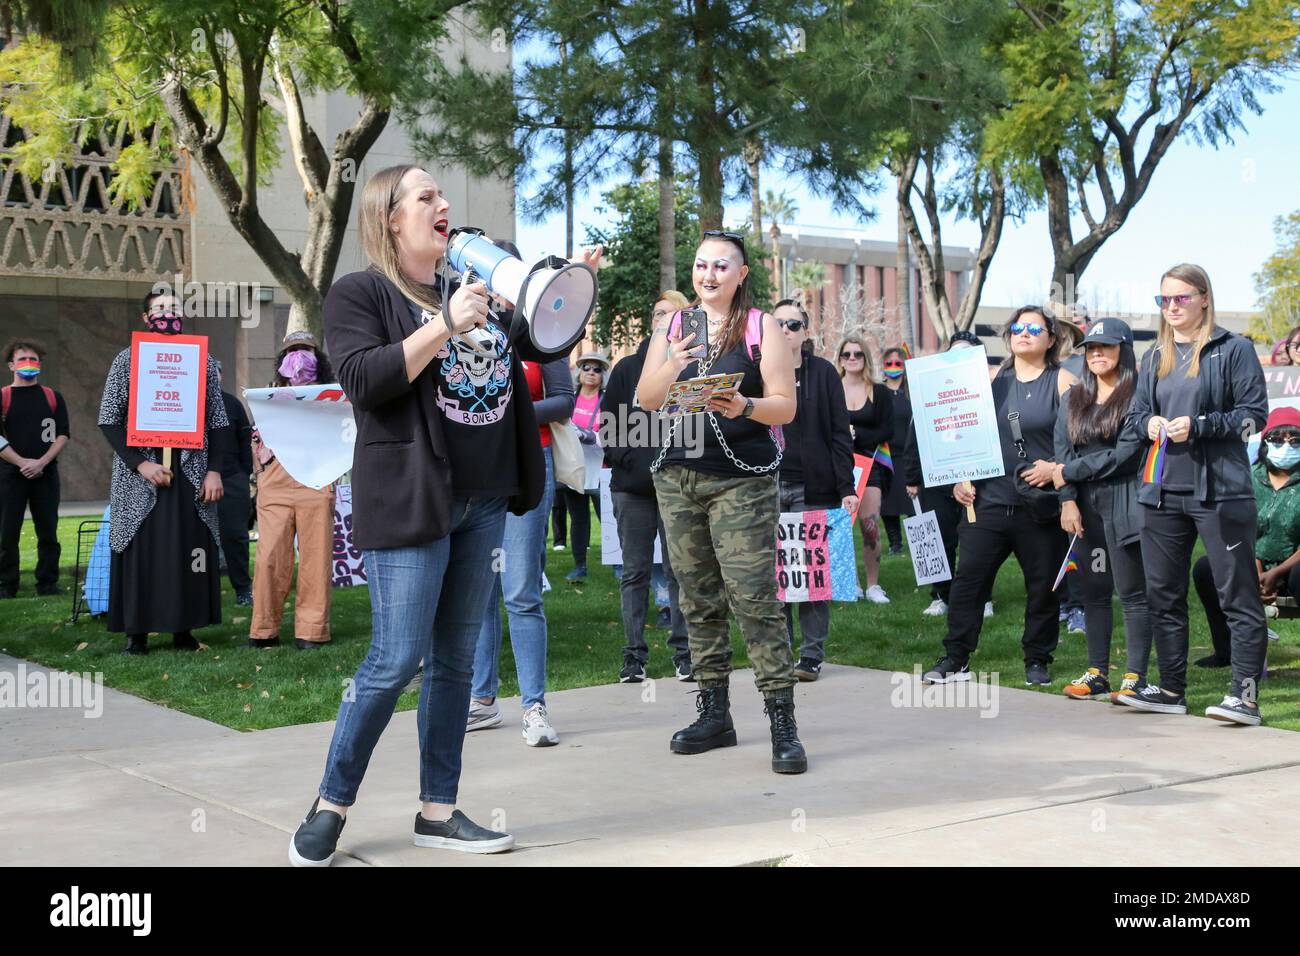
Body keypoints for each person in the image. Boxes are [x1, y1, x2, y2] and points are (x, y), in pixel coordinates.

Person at [289, 164, 602, 865]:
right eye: (426, 196)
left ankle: (438, 810)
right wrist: (442, 324)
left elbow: (546, 345)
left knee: (456, 661)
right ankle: (331, 804)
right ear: (390, 218)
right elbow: (365, 380)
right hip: (412, 497)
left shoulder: (476, 295)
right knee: (396, 657)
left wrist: (561, 286)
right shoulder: (360, 293)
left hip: (484, 498)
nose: (444, 205)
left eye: (442, 195)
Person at [639, 229, 805, 775]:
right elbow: (646, 400)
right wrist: (672, 360)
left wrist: (744, 405)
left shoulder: (763, 328)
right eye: (701, 265)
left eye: (721, 267)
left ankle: (782, 719)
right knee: (696, 597)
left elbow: (785, 407)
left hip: (742, 479)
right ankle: (715, 713)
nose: (708, 275)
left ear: (741, 275)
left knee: (754, 597)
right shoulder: (672, 324)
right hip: (678, 476)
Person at [1117, 264, 1269, 726]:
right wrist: (1149, 424)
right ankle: (1170, 689)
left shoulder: (1234, 349)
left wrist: (1199, 427)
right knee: (1163, 594)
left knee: (1236, 594)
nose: (1172, 307)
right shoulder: (1154, 355)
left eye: (1181, 298)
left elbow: (1253, 417)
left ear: (1204, 297)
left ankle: (1244, 697)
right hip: (1161, 492)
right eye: (1164, 299)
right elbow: (1135, 416)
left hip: (1220, 492)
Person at [922, 307, 1076, 686]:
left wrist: (1054, 469)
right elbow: (958, 432)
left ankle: (1037, 659)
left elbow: (1079, 442)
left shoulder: (1064, 381)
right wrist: (959, 476)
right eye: (1018, 328)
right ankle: (956, 658)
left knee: (1042, 587)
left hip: (1039, 505)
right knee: (968, 583)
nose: (1024, 334)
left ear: (1051, 339)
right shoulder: (986, 381)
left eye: (1034, 329)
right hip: (985, 502)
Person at [97, 291, 229, 654]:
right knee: (141, 550)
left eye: (173, 308)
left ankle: (183, 629)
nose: (167, 314)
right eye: (159, 309)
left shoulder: (201, 363)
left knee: (186, 549)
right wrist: (142, 464)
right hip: (140, 474)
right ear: (145, 317)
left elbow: (217, 422)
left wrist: (213, 471)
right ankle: (136, 633)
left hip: (190, 473)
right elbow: (108, 420)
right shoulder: (126, 362)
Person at [468, 350, 574, 744]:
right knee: (477, 591)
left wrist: (506, 412)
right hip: (476, 464)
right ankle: (482, 701)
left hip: (529, 461)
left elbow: (565, 400)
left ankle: (534, 706)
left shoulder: (541, 333)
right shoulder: (464, 328)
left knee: (521, 591)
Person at [1052, 318, 1152, 701]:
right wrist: (1067, 499)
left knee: (1132, 591)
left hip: (1127, 504)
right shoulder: (1072, 398)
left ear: (1123, 350)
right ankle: (1097, 672)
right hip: (1086, 511)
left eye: (1105, 347)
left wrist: (1063, 473)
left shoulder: (1139, 397)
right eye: (1090, 348)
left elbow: (1126, 456)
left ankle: (1135, 677)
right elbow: (1063, 450)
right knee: (1094, 588)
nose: (1096, 354)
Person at [604, 293, 693, 683]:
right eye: (658, 313)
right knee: (635, 572)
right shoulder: (627, 369)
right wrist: (629, 458)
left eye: (672, 314)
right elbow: (608, 424)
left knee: (680, 572)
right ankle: (633, 657)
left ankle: (685, 653)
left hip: (677, 486)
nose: (663, 319)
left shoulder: (693, 370)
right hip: (633, 490)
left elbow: (699, 426)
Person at [773, 299, 857, 682]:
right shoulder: (759, 372)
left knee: (811, 575)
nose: (787, 330)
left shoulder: (823, 373)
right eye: (779, 324)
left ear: (806, 332)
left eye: (794, 324)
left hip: (815, 486)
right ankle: (779, 653)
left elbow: (840, 433)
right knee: (778, 575)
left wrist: (846, 486)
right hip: (769, 486)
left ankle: (810, 656)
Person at [247, 332, 337, 649]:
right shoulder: (269, 395)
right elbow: (256, 438)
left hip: (316, 479)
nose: (299, 357)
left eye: (305, 350)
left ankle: (311, 631)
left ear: (318, 357)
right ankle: (263, 631)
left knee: (316, 557)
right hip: (277, 481)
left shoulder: (331, 395)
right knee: (269, 557)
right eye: (293, 350)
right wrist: (262, 472)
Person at [1193, 406, 1300, 669]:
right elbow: (1237, 526)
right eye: (1277, 439)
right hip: (1252, 561)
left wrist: (1276, 574)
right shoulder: (1248, 478)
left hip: (1293, 567)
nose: (1285, 446)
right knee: (1206, 568)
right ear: (1264, 443)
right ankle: (1226, 650)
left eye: (1294, 439)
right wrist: (1254, 566)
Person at [902, 330, 994, 619]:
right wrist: (912, 477)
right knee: (940, 539)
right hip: (937, 480)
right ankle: (940, 594)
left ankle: (983, 597)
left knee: (978, 541)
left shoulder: (988, 390)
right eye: (954, 351)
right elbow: (916, 435)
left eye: (965, 351)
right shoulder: (930, 389)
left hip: (978, 479)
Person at [0, 339, 70, 598]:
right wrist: (22, 463)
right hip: (9, 475)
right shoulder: (3, 397)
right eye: (22, 360)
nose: (28, 364)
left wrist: (41, 462)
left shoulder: (53, 397)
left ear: (40, 364)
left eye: (34, 360)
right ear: (11, 365)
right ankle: (6, 586)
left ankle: (48, 584)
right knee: (7, 533)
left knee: (48, 531)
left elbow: (63, 434)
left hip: (46, 474)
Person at [839, 333, 893, 603]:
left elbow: (888, 428)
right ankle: (853, 583)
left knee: (869, 526)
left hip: (870, 464)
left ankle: (873, 585)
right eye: (846, 354)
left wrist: (856, 435)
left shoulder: (879, 391)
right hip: (838, 465)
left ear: (865, 358)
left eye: (857, 354)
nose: (851, 358)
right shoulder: (832, 388)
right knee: (842, 526)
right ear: (840, 359)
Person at [561, 350, 609, 581]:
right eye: (586, 368)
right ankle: (579, 565)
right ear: (579, 372)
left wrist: (590, 435)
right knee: (578, 519)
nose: (591, 373)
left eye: (597, 369)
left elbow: (614, 432)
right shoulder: (569, 397)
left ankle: (619, 564)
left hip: (601, 470)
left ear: (603, 376)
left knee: (608, 518)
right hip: (574, 468)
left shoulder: (608, 400)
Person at [214, 360, 254, 606]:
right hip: (196, 479)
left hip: (232, 479)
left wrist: (244, 474)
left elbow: (245, 439)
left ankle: (243, 589)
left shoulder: (232, 403)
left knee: (235, 536)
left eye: (216, 371)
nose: (212, 376)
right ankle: (200, 590)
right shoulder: (188, 403)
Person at [878, 346, 912, 557]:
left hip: (909, 455)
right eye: (889, 363)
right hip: (886, 455)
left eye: (897, 363)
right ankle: (895, 543)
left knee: (912, 502)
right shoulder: (878, 390)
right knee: (888, 504)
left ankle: (919, 543)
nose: (893, 367)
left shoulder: (912, 390)